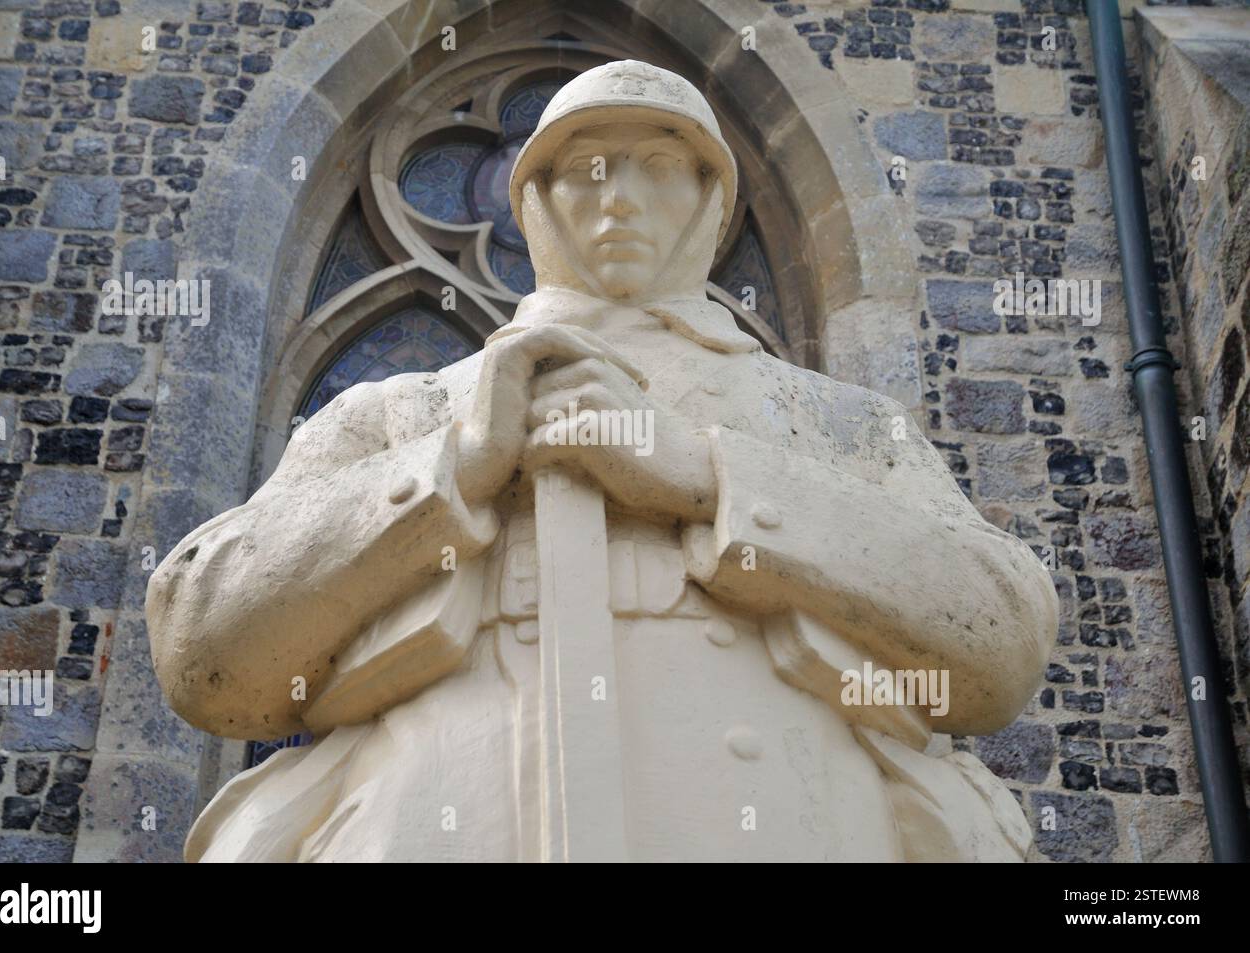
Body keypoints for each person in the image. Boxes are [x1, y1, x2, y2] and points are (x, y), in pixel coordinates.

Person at [148, 60, 1057, 862]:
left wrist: (711, 478)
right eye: (587, 172)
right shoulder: (404, 409)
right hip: (434, 821)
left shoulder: (830, 419)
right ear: (535, 199)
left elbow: (1003, 636)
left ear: (708, 199)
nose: (619, 197)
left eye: (659, 169)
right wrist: (453, 469)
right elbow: (203, 651)